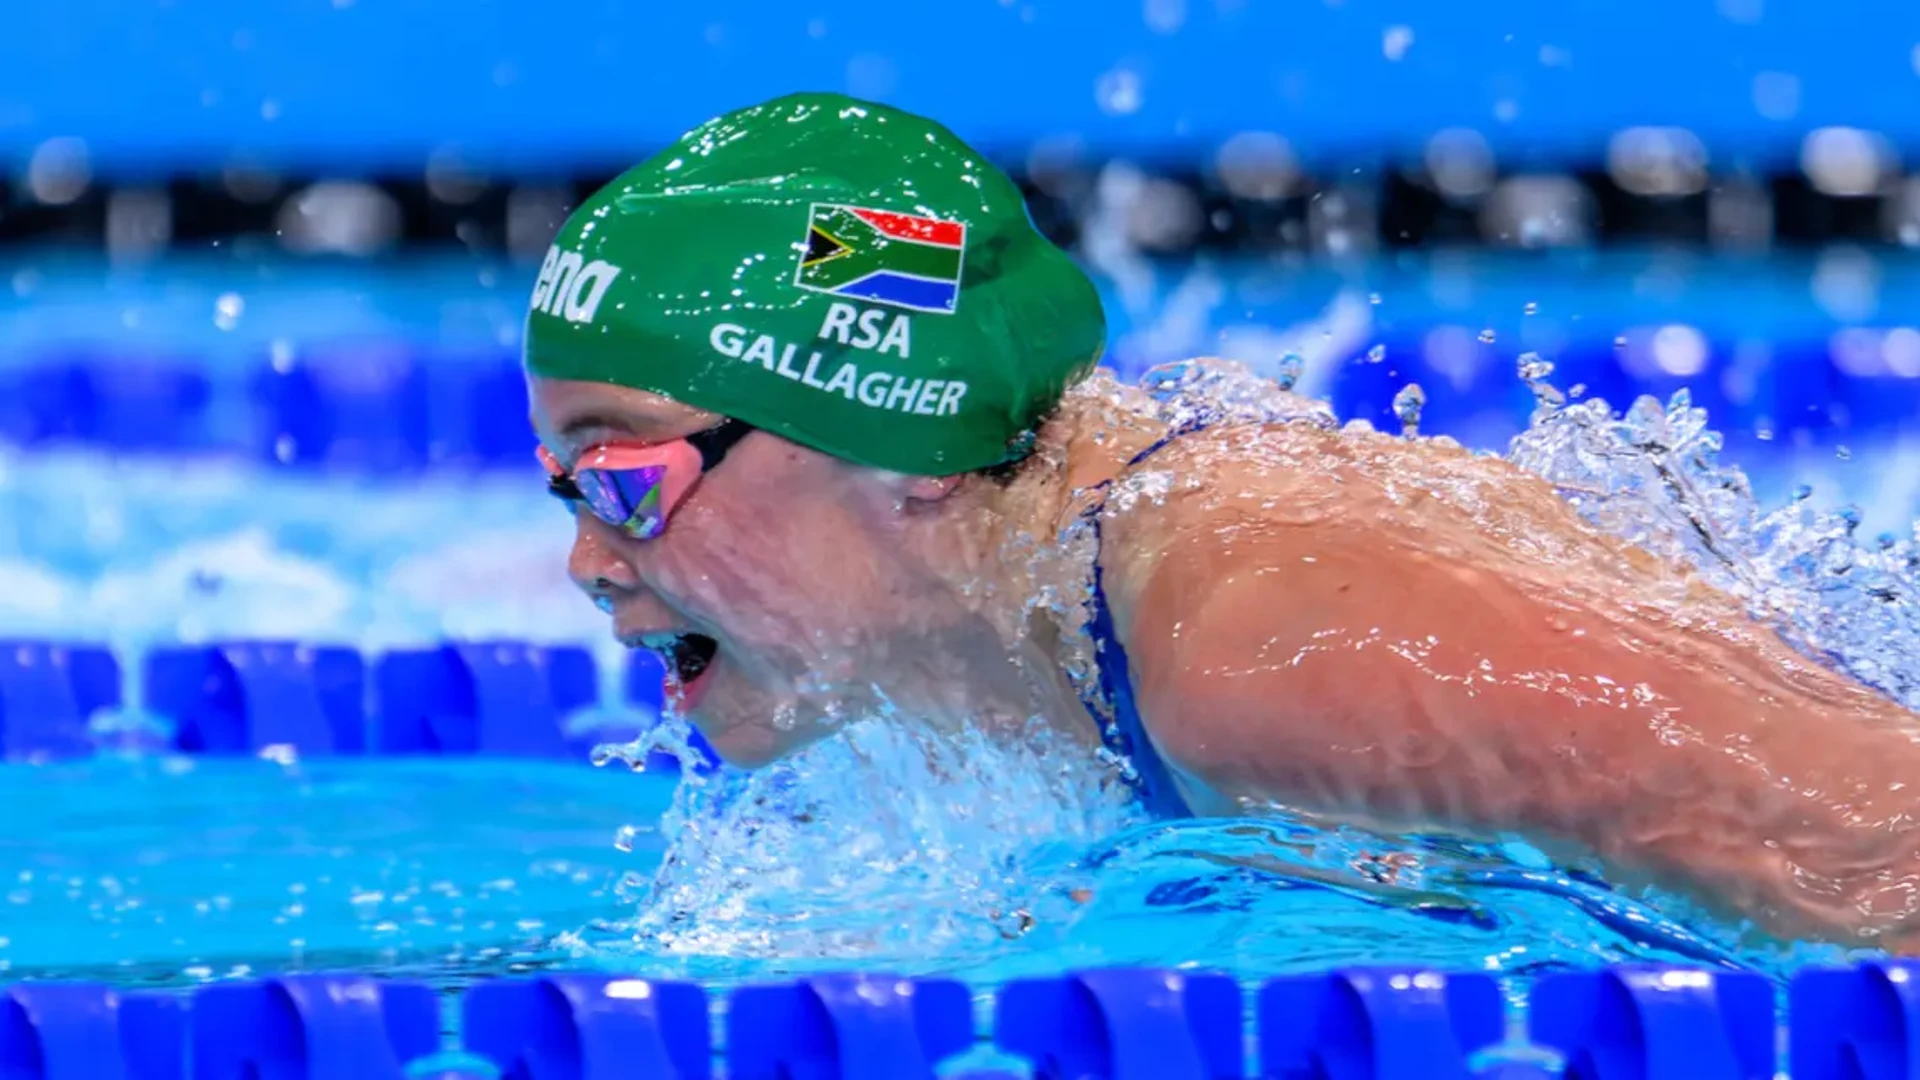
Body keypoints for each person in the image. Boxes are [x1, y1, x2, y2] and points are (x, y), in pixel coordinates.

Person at [522, 91, 1920, 950]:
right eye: (564, 489)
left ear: (900, 443)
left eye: (624, 478)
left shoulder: (1278, 646)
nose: (587, 562)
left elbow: (1887, 854)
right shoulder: (1030, 637)